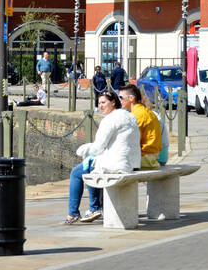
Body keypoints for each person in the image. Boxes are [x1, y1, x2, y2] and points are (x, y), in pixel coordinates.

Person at [66, 91, 140, 224]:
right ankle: (95, 207)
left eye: (103, 102)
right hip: (132, 162)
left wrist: (82, 150)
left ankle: (74, 213)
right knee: (92, 165)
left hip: (117, 164)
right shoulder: (129, 116)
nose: (101, 106)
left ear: (113, 102)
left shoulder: (110, 120)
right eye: (99, 103)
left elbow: (98, 146)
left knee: (77, 173)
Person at [118, 83, 164, 169]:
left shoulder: (137, 115)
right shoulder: (144, 112)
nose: (119, 100)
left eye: (121, 97)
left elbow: (130, 141)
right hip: (151, 157)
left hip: (144, 159)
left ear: (131, 98)